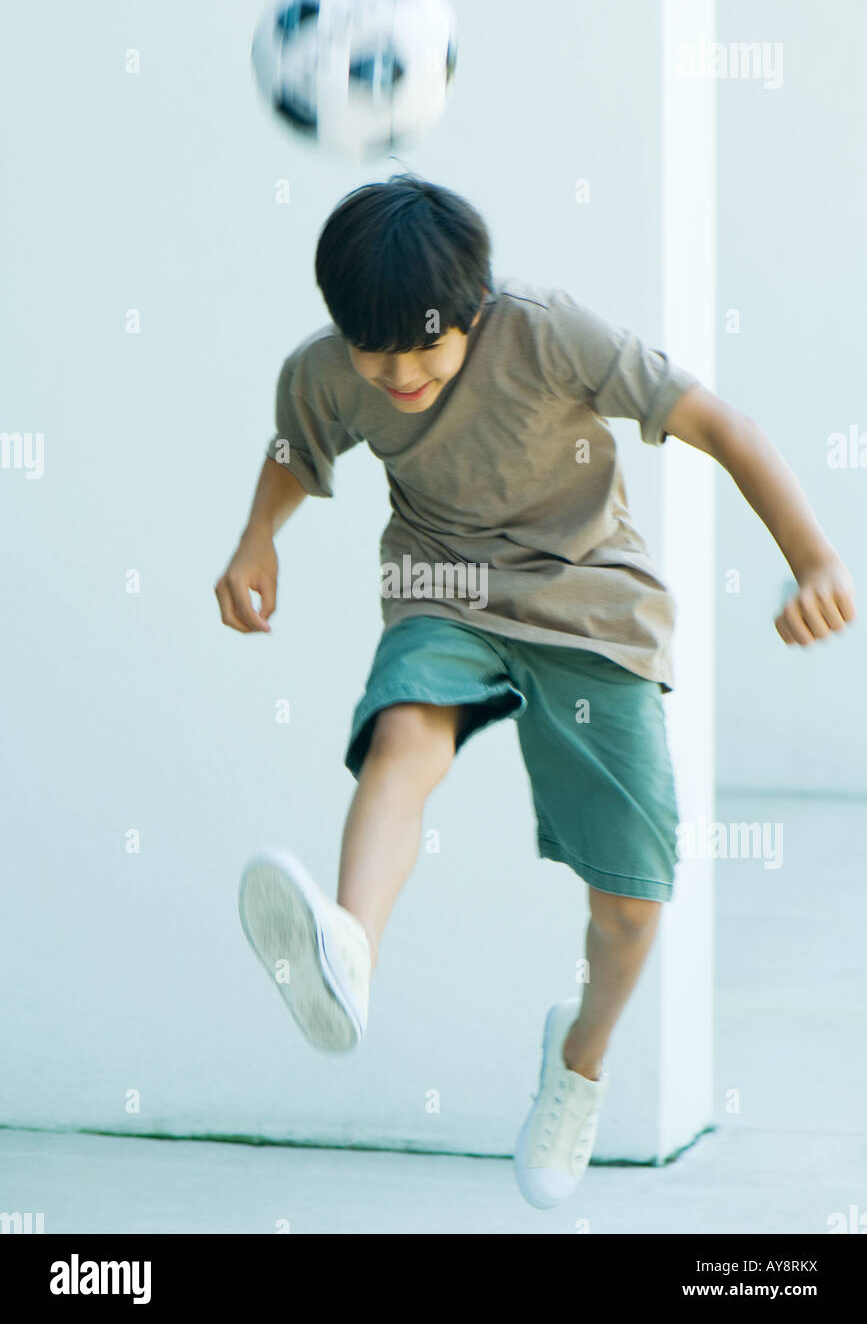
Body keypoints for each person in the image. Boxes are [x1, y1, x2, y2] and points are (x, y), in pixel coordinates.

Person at [215, 173, 856, 1210]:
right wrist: (255, 541)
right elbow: (299, 446)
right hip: (445, 588)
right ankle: (350, 950)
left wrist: (817, 557)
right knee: (404, 731)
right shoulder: (332, 370)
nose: (401, 375)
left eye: (426, 349)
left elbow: (724, 424)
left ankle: (579, 1063)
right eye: (377, 356)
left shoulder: (552, 333)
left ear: (476, 311)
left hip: (593, 606)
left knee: (633, 903)